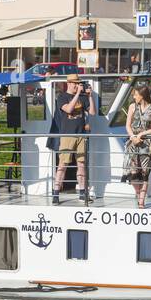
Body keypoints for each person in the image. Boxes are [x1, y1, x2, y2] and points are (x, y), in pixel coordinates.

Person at [50, 74, 95, 205]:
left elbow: (92, 112)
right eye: (75, 83)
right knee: (62, 165)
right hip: (67, 135)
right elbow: (69, 109)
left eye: (78, 83)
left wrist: (90, 96)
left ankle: (82, 193)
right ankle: (56, 193)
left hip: (81, 135)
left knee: (81, 165)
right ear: (69, 83)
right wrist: (77, 94)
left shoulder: (83, 97)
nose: (77, 85)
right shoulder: (62, 97)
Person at [124, 85, 151, 208]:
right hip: (133, 142)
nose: (134, 97)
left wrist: (141, 134)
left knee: (145, 172)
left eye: (136, 94)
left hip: (146, 143)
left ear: (142, 95)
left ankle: (141, 200)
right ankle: (138, 193)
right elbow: (128, 125)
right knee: (133, 171)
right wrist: (133, 136)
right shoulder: (132, 107)